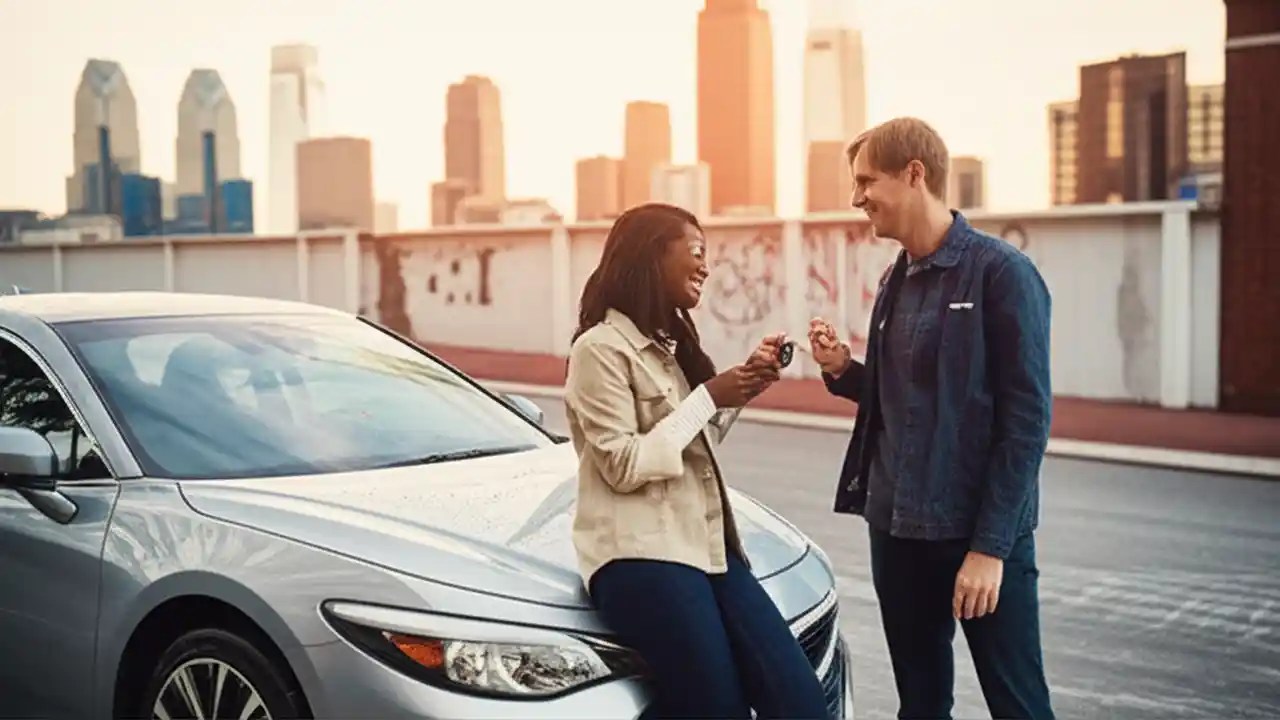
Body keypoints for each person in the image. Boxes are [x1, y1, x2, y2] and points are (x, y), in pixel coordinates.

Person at [808, 118, 1055, 720]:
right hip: (895, 533)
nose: (856, 198)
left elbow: (1026, 423)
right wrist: (845, 370)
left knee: (1018, 705)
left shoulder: (1002, 273)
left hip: (975, 538)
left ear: (914, 173)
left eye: (866, 181)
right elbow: (903, 399)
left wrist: (990, 550)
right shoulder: (895, 277)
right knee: (919, 706)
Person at [565, 203, 829, 719]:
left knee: (798, 700)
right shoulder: (599, 350)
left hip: (705, 549)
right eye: (696, 251)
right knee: (715, 709)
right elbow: (623, 464)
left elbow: (691, 439)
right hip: (640, 557)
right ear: (651, 256)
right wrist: (708, 395)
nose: (707, 266)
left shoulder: (667, 349)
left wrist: (740, 388)